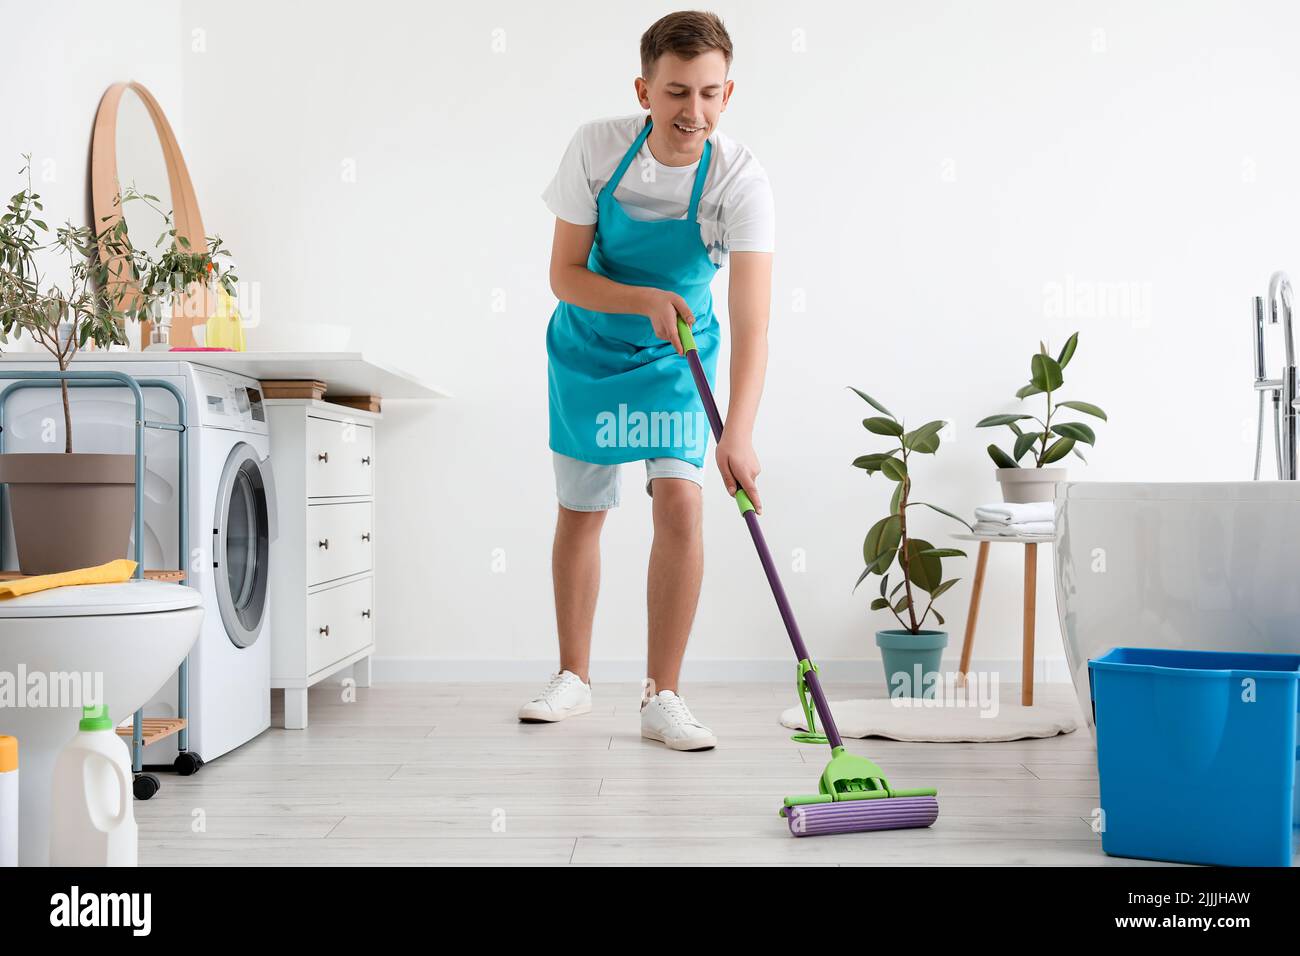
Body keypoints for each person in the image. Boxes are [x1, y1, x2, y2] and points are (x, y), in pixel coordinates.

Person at [520, 11, 774, 751]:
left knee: (682, 507)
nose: (692, 112)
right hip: (589, 351)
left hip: (678, 359)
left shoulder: (741, 179)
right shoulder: (597, 150)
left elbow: (754, 321)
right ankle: (573, 678)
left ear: (727, 94)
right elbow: (564, 275)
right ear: (645, 90)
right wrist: (641, 300)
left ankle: (662, 696)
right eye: (675, 93)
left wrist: (739, 431)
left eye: (708, 93)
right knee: (582, 508)